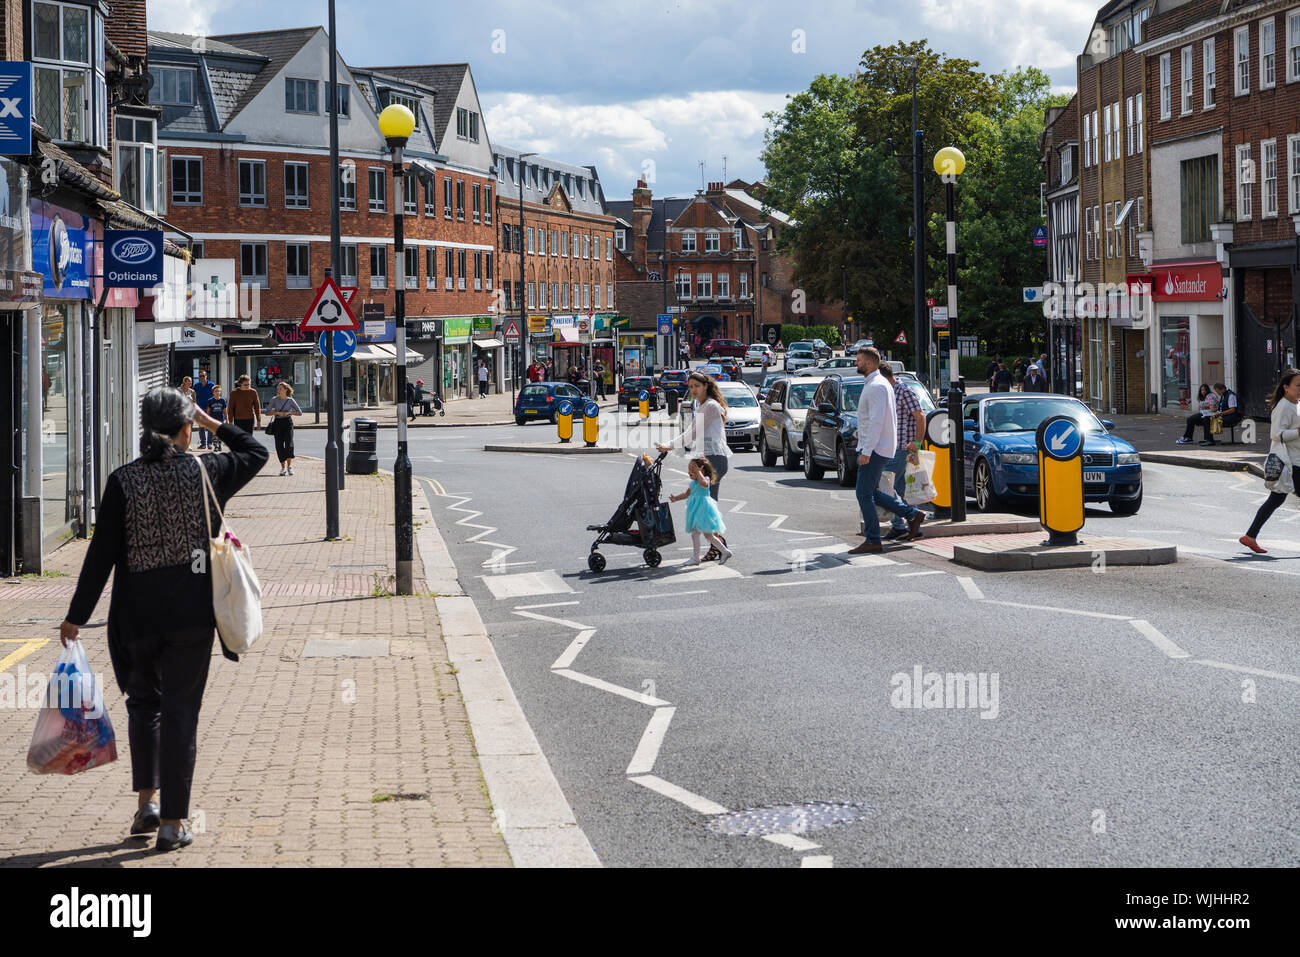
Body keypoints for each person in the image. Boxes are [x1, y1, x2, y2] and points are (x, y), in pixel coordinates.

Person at [59, 387, 268, 852]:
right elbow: (256, 451)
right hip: (191, 615)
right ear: (185, 428)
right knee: (180, 715)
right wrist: (214, 422)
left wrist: (76, 617)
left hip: (135, 616)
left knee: (143, 706)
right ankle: (173, 823)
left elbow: (101, 555)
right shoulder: (206, 471)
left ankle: (147, 803)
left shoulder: (122, 480)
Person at [850, 346, 923, 555]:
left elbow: (876, 421)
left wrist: (866, 451)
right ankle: (911, 514)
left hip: (875, 449)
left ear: (870, 363)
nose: (856, 363)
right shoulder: (878, 384)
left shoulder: (876, 386)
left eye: (859, 360)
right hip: (878, 447)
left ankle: (873, 539)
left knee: (863, 494)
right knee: (872, 492)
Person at [657, 371, 730, 560]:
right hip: (710, 458)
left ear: (706, 386)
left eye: (697, 386)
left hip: (713, 460)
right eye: (690, 387)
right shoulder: (703, 405)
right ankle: (719, 547)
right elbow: (691, 431)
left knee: (706, 507)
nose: (693, 390)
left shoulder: (710, 406)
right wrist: (670, 445)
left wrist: (669, 445)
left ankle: (719, 548)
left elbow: (692, 433)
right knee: (708, 505)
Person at [1240, 369, 1300, 553]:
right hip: (1290, 463)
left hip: (1295, 460)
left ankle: (1250, 536)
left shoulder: (1295, 404)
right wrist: (1298, 432)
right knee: (1275, 500)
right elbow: (1276, 435)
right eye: (1297, 385)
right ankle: (1250, 536)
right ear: (1286, 387)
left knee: (1275, 500)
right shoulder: (1283, 407)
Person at [878, 366, 927, 541]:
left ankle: (908, 519)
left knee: (885, 486)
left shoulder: (904, 391)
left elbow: (920, 415)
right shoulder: (889, 391)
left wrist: (917, 442)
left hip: (901, 448)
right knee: (898, 488)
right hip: (891, 448)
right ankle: (908, 526)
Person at [668, 456, 733, 566]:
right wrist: (675, 498)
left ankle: (696, 558)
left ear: (702, 470)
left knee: (695, 534)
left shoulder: (705, 479)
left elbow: (704, 484)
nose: (690, 472)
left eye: (693, 470)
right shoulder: (692, 483)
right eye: (689, 470)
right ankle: (725, 551)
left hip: (703, 510)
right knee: (708, 535)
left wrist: (699, 473)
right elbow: (686, 494)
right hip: (695, 510)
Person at [265, 381, 302, 476]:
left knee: (289, 444)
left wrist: (289, 413)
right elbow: (267, 412)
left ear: (285, 390)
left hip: (288, 423)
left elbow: (299, 412)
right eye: (277, 389)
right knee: (279, 445)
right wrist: (277, 412)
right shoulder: (274, 399)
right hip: (277, 423)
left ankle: (289, 467)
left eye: (280, 389)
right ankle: (282, 468)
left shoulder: (290, 400)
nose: (278, 390)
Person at [193, 371, 215, 449]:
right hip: (200, 408)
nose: (202, 377)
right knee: (201, 427)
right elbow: (194, 397)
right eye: (200, 376)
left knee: (209, 426)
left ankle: (209, 443)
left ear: (206, 376)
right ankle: (203, 443)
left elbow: (215, 395)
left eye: (203, 376)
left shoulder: (211, 385)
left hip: (210, 408)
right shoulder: (196, 386)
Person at [206, 386, 228, 453]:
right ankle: (216, 445)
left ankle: (219, 444)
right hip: (213, 419)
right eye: (216, 391)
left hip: (221, 419)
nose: (217, 392)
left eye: (218, 391)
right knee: (214, 433)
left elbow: (225, 410)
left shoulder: (222, 400)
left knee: (220, 433)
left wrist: (227, 418)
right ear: (213, 392)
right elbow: (208, 411)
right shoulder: (210, 401)